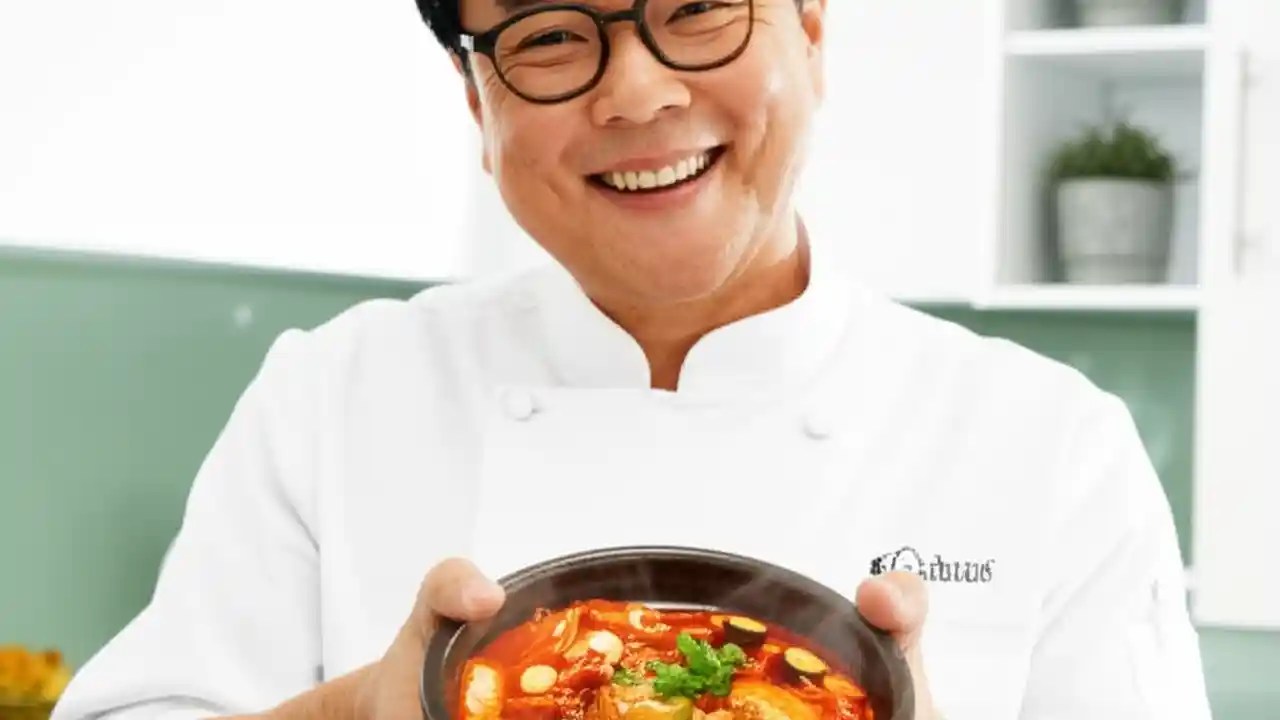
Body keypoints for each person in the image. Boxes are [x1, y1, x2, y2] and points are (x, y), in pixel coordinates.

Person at [51, 0, 1213, 718]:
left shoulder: (1051, 447)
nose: (639, 90)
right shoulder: (331, 394)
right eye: (551, 34)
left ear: (810, 26)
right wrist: (354, 715)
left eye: (699, 5)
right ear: (474, 95)